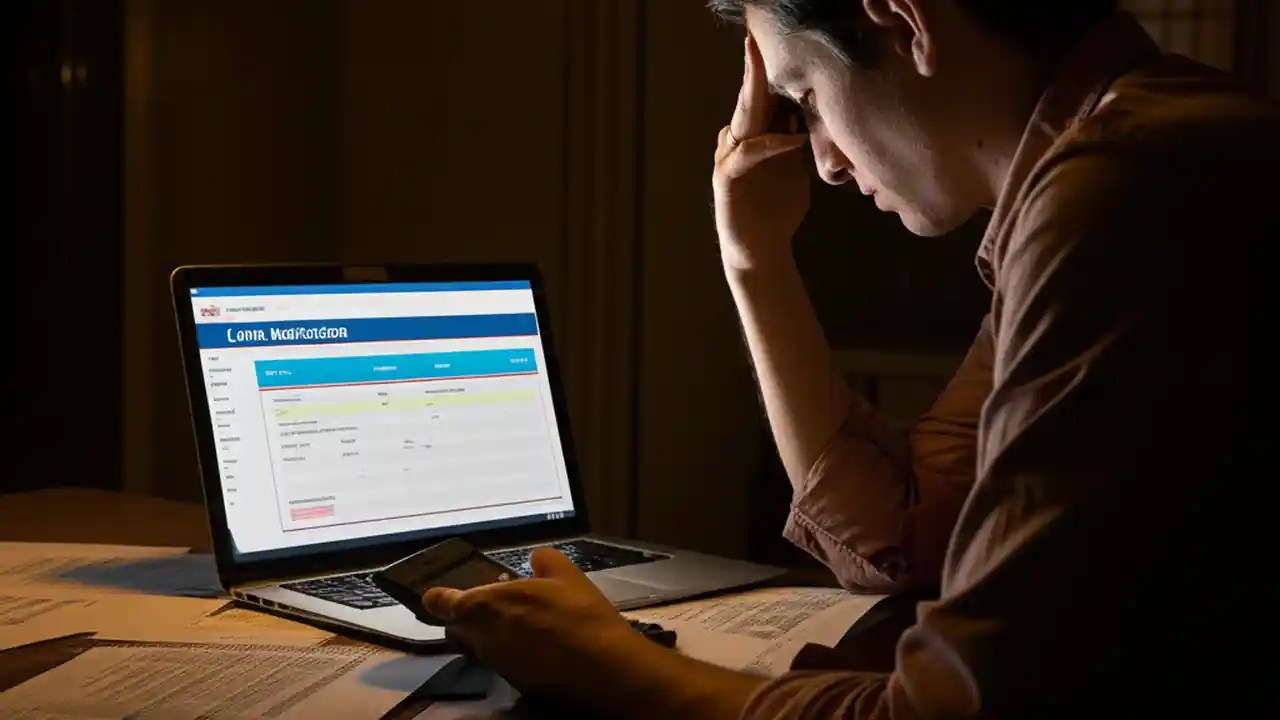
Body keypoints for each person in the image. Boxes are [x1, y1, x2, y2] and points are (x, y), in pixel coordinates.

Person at [422, 1, 1275, 717]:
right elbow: (909, 537)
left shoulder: (1123, 192)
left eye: (806, 94)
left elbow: (953, 711)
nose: (824, 159)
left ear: (904, 20)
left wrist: (611, 666)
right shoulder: (1102, 169)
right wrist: (754, 258)